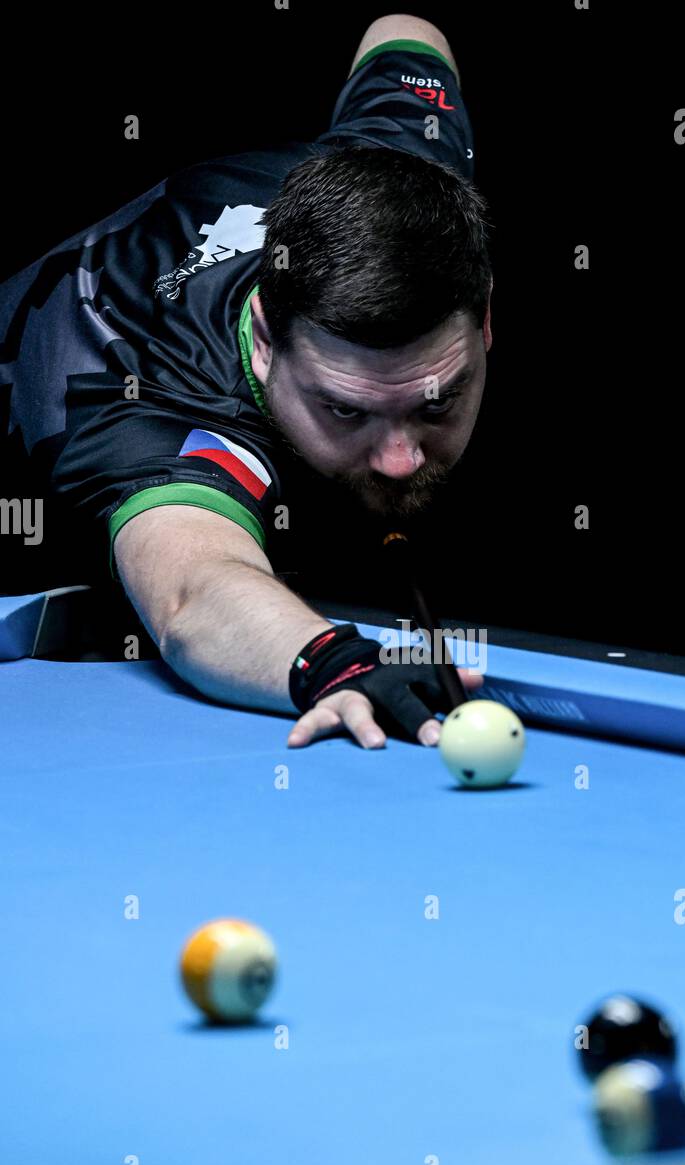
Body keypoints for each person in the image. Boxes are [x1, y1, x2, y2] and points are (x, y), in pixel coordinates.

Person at [0, 14, 489, 747]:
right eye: (346, 410)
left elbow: (405, 32)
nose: (400, 458)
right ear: (264, 342)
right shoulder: (154, 401)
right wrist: (330, 663)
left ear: (486, 321)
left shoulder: (401, 173)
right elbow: (195, 592)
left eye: (436, 403)